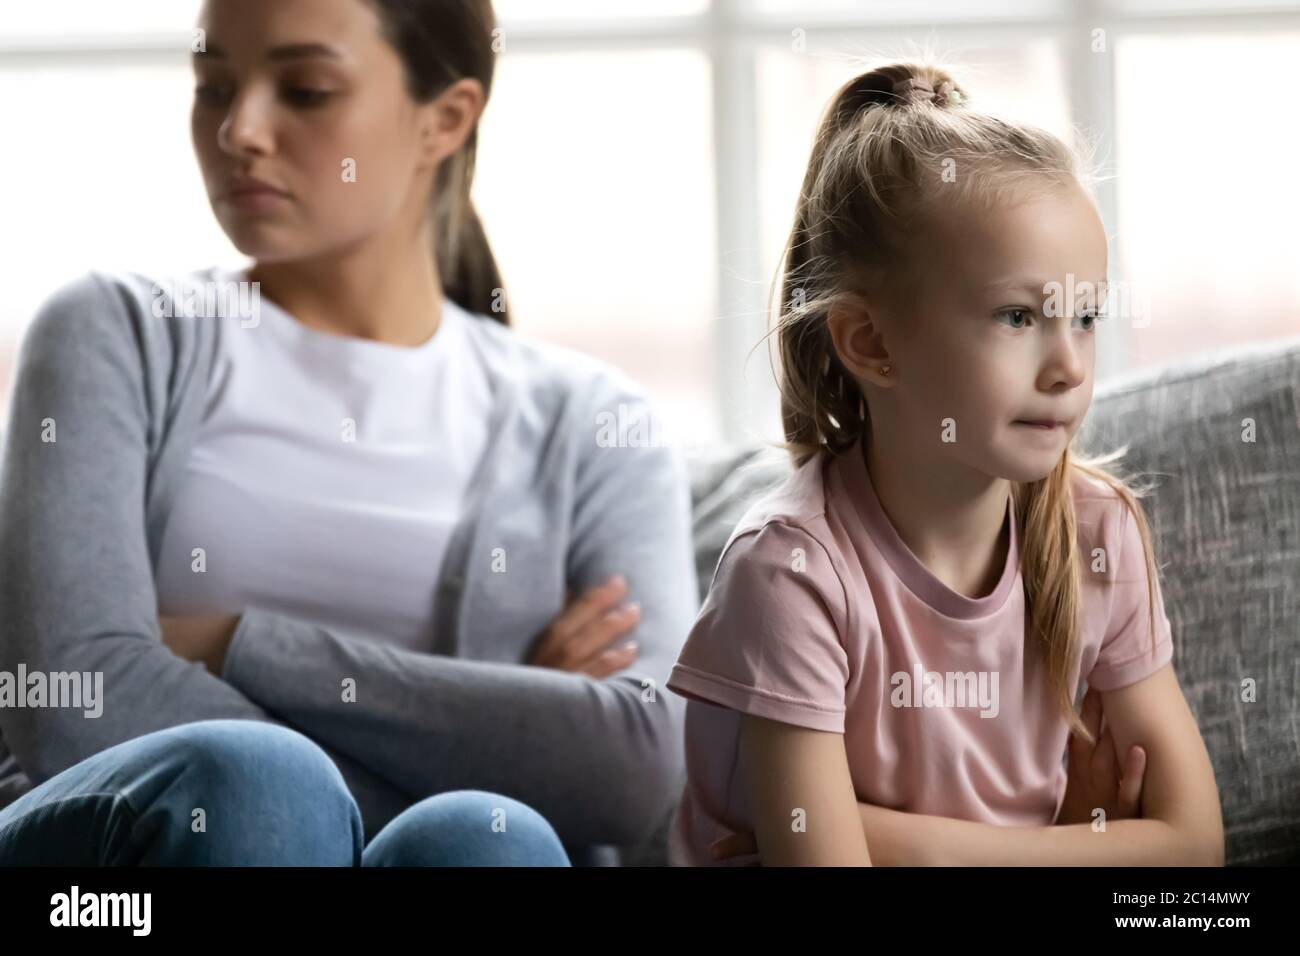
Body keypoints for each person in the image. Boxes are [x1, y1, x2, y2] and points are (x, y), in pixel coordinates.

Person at [0, 0, 697, 867]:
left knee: (485, 841)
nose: (240, 130)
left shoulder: (595, 423)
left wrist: (234, 643)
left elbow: (642, 766)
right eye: (213, 85)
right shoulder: (111, 332)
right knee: (262, 786)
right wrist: (505, 727)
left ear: (445, 119)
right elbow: (72, 704)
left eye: (305, 89)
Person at [664, 61, 1224, 866]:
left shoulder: (1099, 532)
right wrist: (1068, 848)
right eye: (1016, 315)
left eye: (1085, 315)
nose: (1069, 364)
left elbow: (1194, 849)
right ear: (871, 342)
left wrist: (907, 846)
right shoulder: (791, 572)